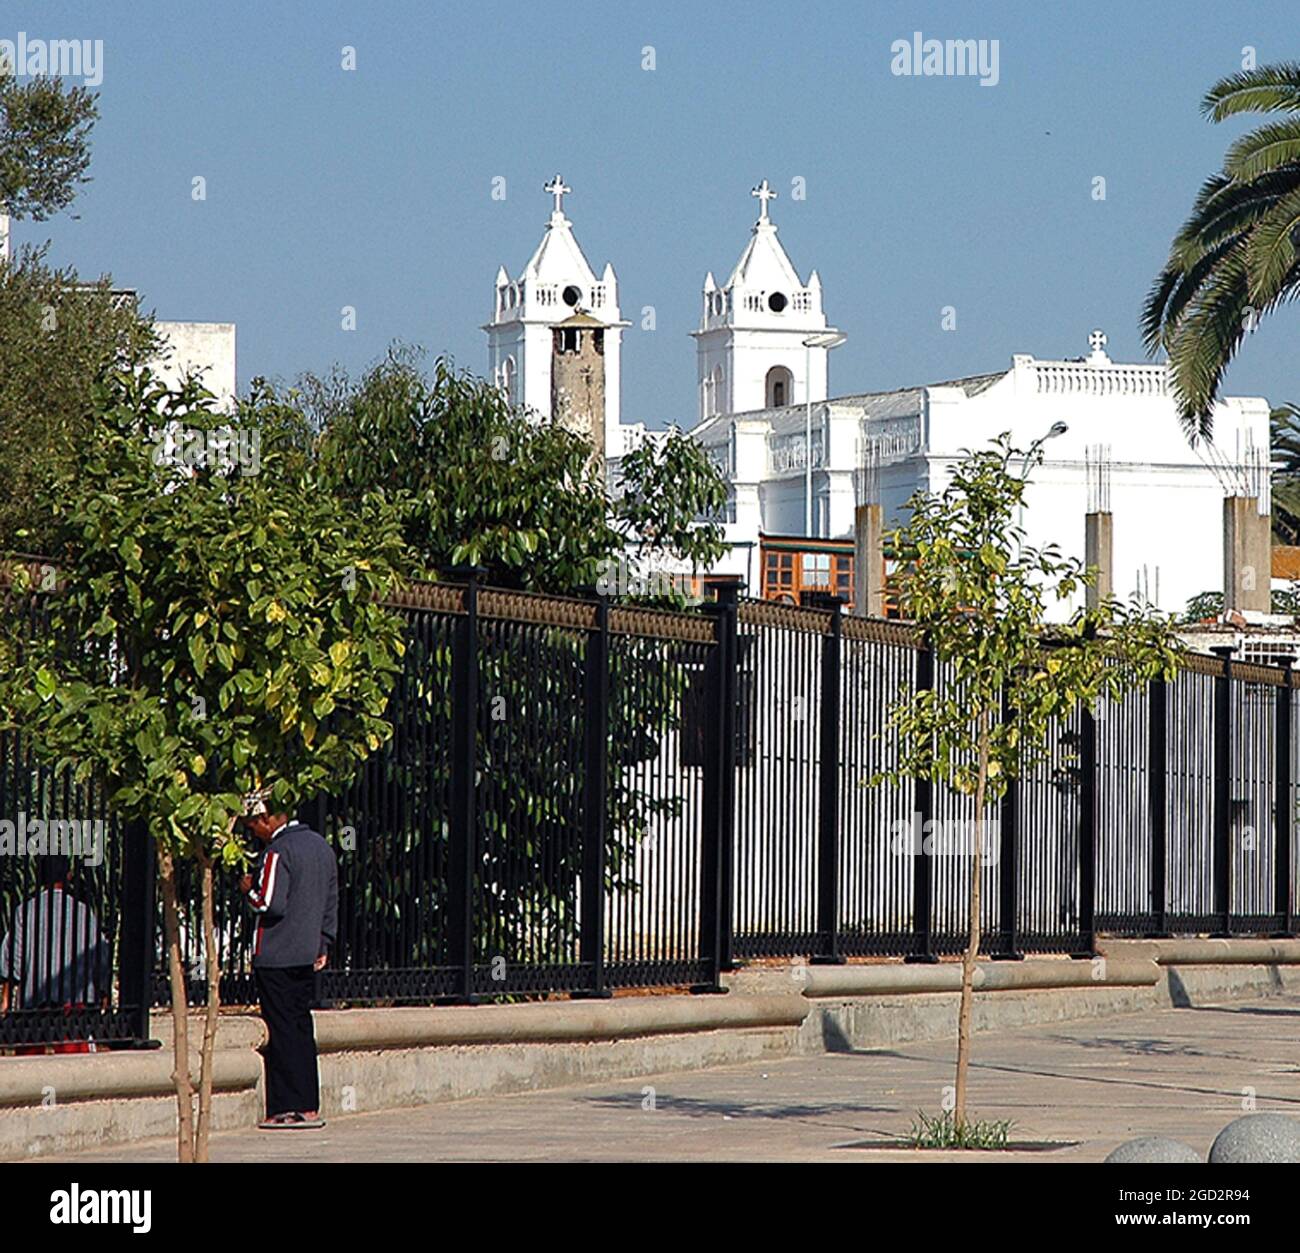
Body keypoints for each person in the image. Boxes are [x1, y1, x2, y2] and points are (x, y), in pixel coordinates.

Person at [239, 790, 337, 1130]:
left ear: (268, 819)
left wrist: (248, 888)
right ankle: (308, 1104)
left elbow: (269, 902)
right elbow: (330, 901)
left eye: (255, 824)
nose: (254, 831)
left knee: (281, 1032)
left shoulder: (278, 851)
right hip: (306, 952)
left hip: (277, 955)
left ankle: (285, 1106)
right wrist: (323, 942)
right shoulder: (321, 847)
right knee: (299, 1026)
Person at [0, 854, 111, 1054]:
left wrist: (6, 998)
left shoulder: (24, 912)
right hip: (74, 1002)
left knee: (30, 1059)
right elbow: (100, 955)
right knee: (73, 1064)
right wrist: (102, 993)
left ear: (40, 877)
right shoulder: (84, 912)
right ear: (68, 876)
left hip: (35, 1001)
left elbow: (13, 961)